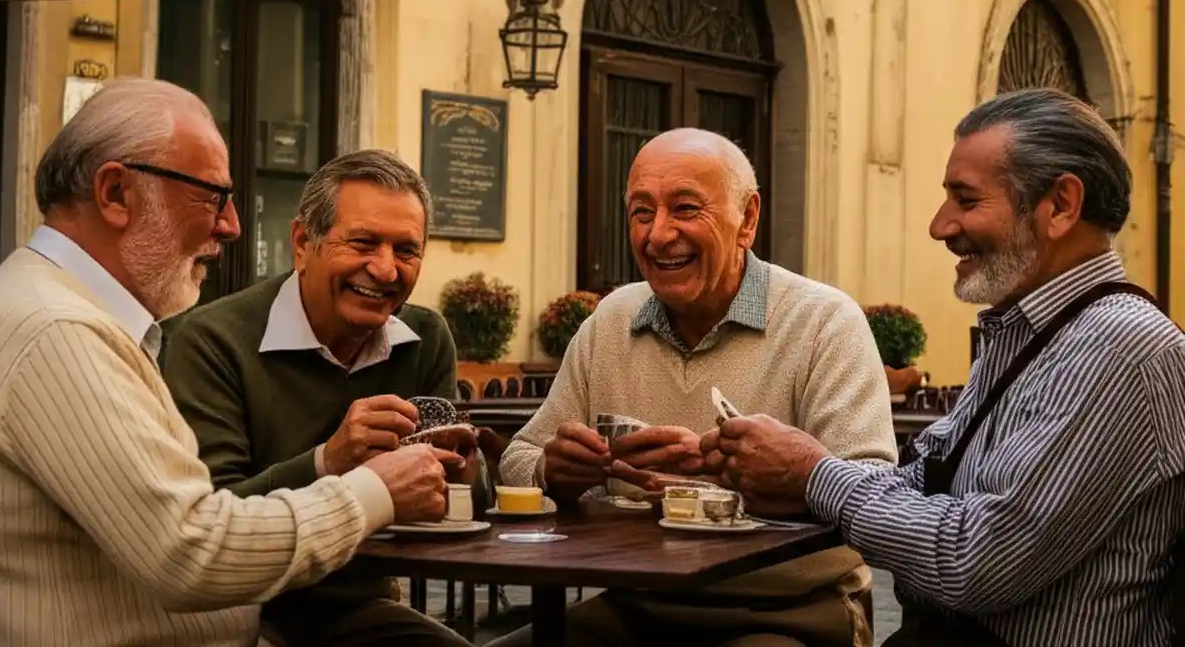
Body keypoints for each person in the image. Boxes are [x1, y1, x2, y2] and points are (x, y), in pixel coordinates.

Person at [0, 78, 462, 646]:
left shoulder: (59, 314)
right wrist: (372, 489)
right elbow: (193, 553)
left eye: (406, 250)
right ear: (115, 193)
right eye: (211, 196)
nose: (231, 226)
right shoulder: (55, 331)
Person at [701, 88, 1185, 647]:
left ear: (1061, 206)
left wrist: (812, 473)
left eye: (966, 199)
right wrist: (752, 466)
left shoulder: (1119, 347)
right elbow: (925, 482)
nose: (940, 225)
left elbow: (977, 561)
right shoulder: (1029, 331)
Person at [493, 127, 898, 647]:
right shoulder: (611, 321)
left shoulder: (822, 321)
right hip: (635, 606)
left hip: (785, 613)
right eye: (642, 212)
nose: (658, 234)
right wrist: (554, 470)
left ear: (747, 219)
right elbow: (519, 458)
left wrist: (738, 480)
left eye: (685, 209)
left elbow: (872, 489)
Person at [160, 149, 476, 646]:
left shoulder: (425, 337)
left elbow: (447, 505)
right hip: (235, 614)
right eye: (364, 243)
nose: (386, 270)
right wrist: (328, 461)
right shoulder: (210, 341)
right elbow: (209, 521)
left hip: (357, 607)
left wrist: (463, 476)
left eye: (407, 250)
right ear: (304, 243)